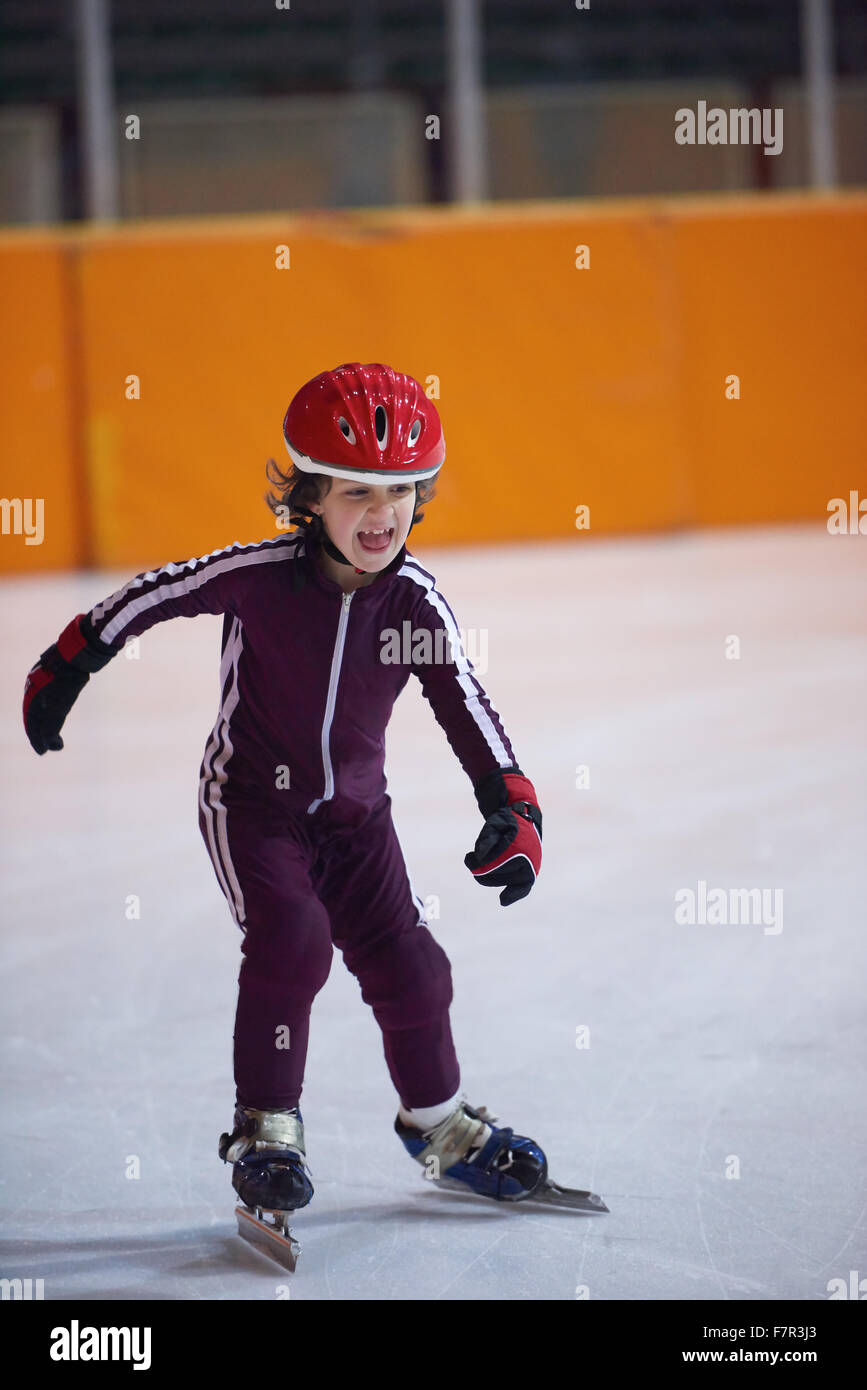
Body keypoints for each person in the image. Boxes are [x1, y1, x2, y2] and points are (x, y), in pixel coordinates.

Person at [22, 362, 547, 1212]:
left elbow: (464, 702)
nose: (381, 517)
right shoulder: (261, 577)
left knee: (413, 969)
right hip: (252, 808)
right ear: (308, 496)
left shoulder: (414, 606)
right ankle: (266, 1128)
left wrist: (510, 803)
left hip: (356, 820)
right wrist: (70, 660)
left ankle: (440, 1124)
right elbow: (153, 594)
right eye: (354, 493)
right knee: (293, 940)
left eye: (401, 492)